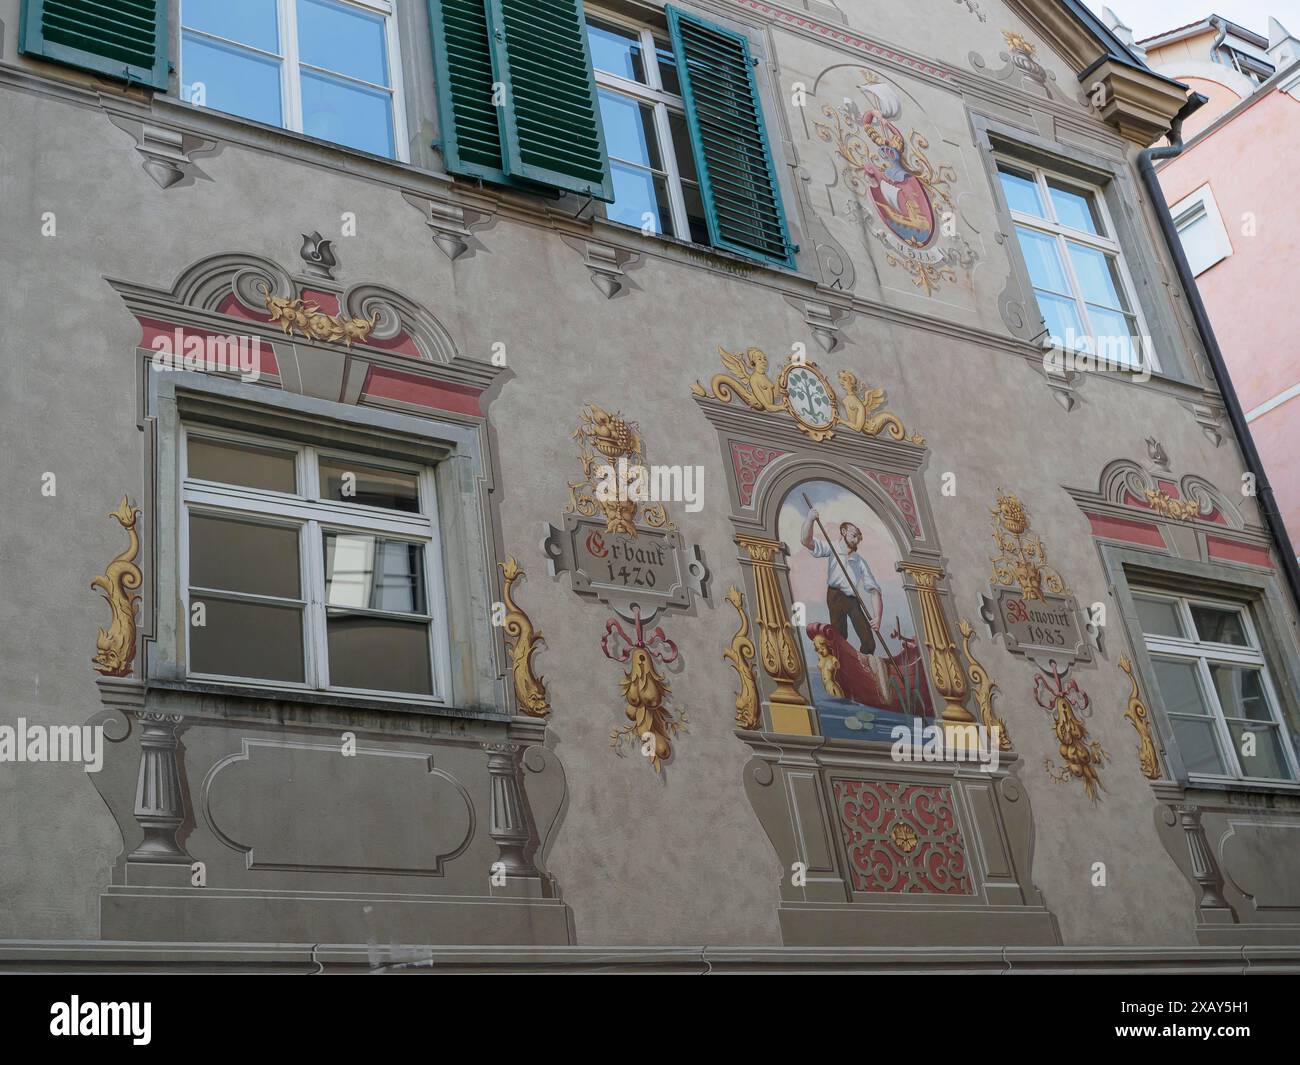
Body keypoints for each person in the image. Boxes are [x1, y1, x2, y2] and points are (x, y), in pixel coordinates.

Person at [800, 508, 884, 655]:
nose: (857, 539)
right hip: (835, 596)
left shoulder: (859, 561)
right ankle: (842, 663)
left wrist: (877, 618)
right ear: (844, 532)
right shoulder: (832, 547)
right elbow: (806, 541)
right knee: (839, 638)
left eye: (859, 537)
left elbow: (874, 591)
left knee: (869, 643)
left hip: (852, 599)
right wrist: (810, 519)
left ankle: (864, 665)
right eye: (854, 535)